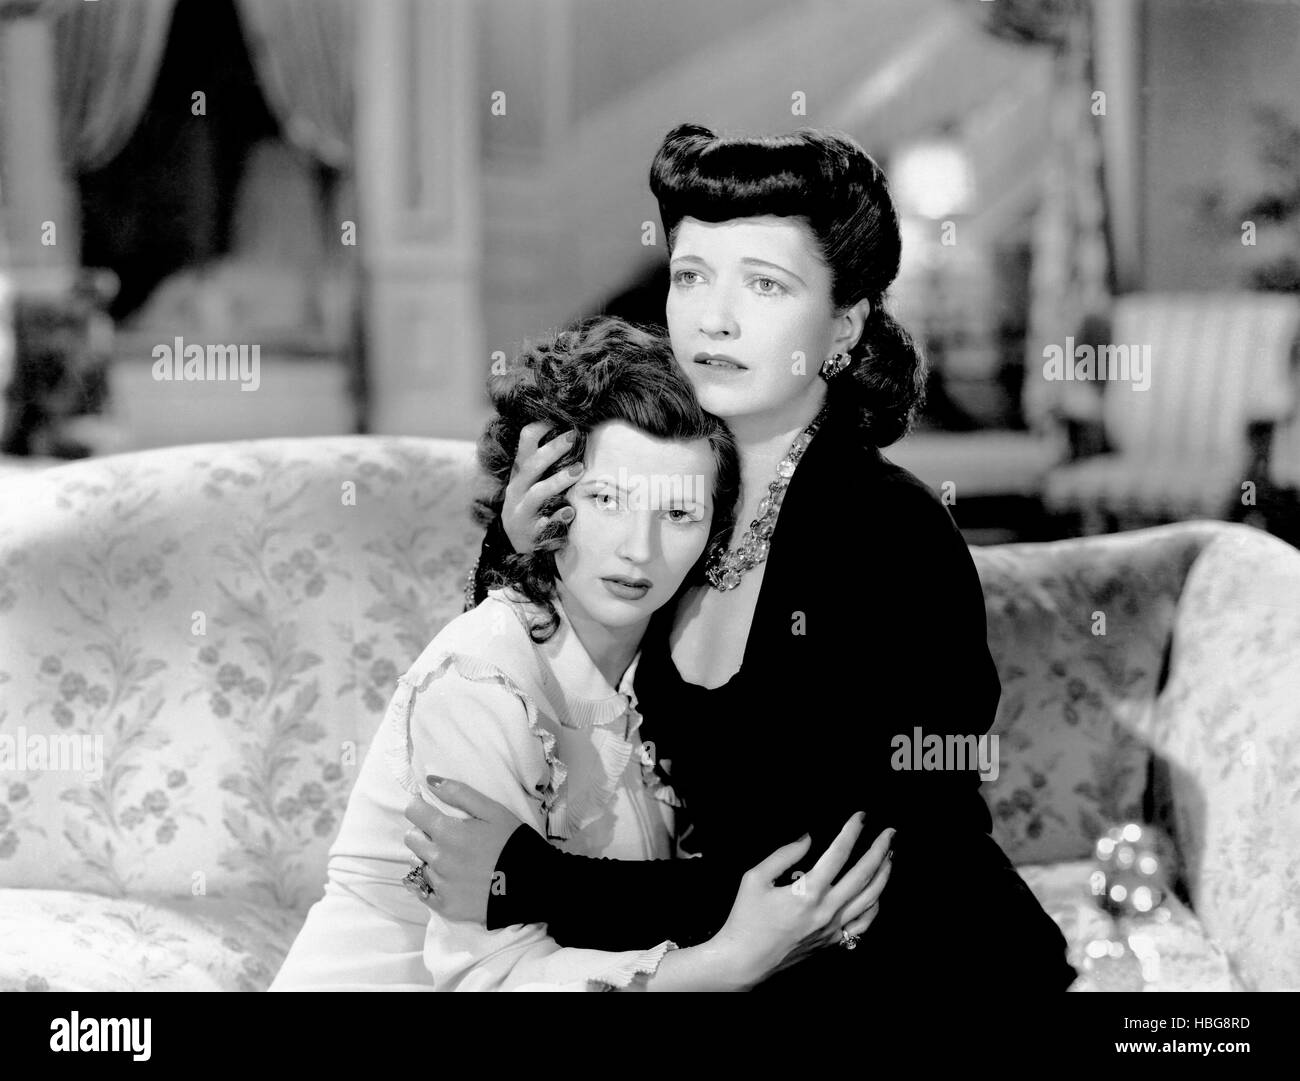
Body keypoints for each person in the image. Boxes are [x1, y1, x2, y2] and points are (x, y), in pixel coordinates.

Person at [403, 124, 1077, 992]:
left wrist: (537, 882)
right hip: (736, 962)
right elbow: (532, 703)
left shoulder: (895, 536)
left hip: (928, 964)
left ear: (843, 324)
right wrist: (517, 554)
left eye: (764, 284)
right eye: (692, 276)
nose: (714, 318)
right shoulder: (671, 489)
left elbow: (832, 882)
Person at [269, 317, 893, 991]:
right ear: (547, 499)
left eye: (678, 513)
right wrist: (730, 960)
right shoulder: (480, 679)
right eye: (606, 499)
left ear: (718, 528)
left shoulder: (666, 672)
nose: (638, 548)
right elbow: (494, 982)